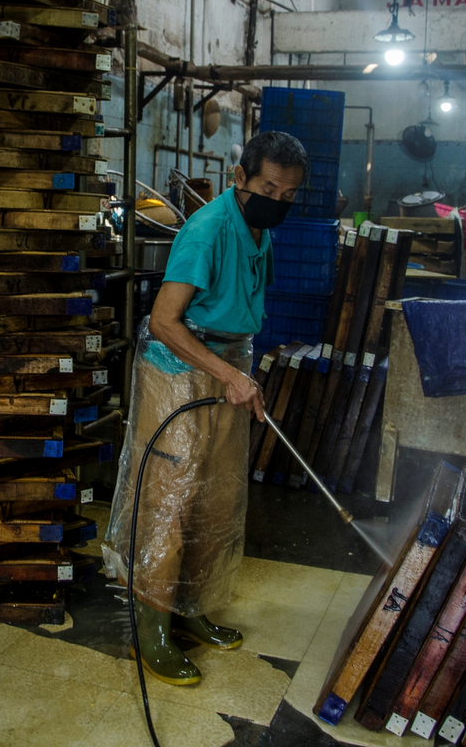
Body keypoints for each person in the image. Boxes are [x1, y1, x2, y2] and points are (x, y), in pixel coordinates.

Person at [103, 131, 307, 685]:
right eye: (270, 188)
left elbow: (238, 310)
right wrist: (226, 374)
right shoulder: (209, 229)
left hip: (223, 372)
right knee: (170, 505)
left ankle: (192, 609)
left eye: (290, 194)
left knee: (213, 501)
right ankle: (152, 629)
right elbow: (165, 321)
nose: (279, 201)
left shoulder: (257, 228)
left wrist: (238, 373)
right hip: (178, 377)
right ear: (239, 178)